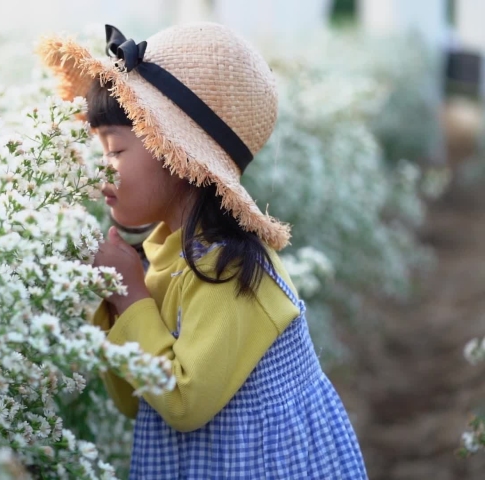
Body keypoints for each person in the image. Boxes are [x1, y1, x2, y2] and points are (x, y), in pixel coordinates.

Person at [38, 23, 368, 478]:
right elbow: (137, 401)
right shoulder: (168, 253)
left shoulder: (228, 271)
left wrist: (132, 297)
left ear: (174, 155)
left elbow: (182, 401)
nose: (99, 169)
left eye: (113, 150)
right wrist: (115, 298)